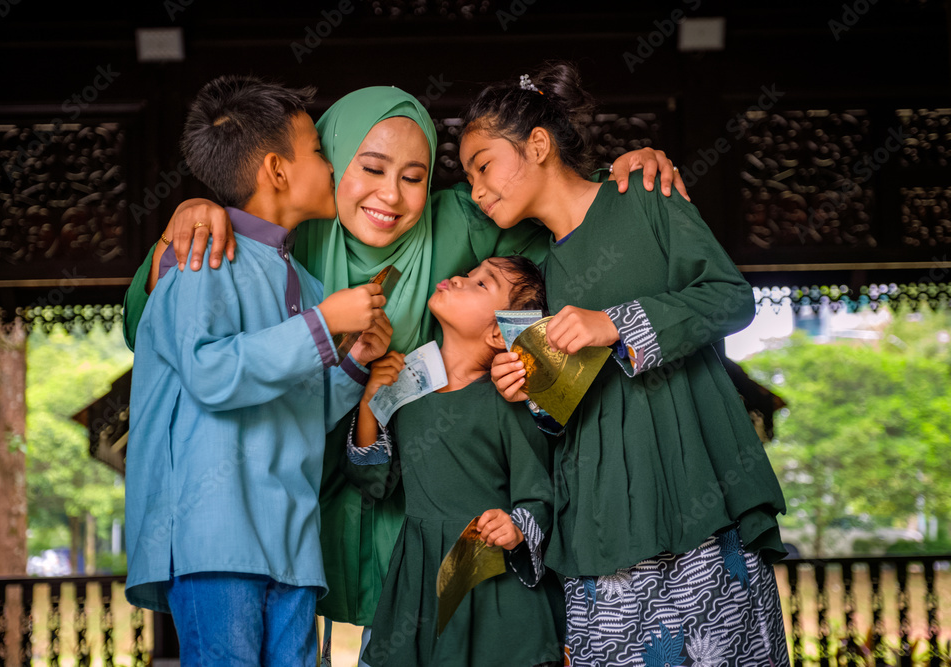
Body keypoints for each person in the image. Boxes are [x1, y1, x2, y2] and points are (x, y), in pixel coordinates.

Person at [121, 84, 686, 662]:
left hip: (411, 514)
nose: (390, 194)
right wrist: (190, 218)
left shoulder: (455, 226)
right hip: (287, 504)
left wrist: (615, 181)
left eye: (414, 177)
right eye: (366, 167)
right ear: (325, 162)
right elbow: (160, 333)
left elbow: (545, 216)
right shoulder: (270, 243)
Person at [466, 63, 791, 666]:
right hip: (595, 524)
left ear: (538, 144)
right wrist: (529, 390)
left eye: (483, 165)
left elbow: (729, 297)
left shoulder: (642, 195)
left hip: (694, 499)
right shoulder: (533, 266)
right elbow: (566, 401)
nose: (477, 190)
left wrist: (615, 320)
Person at [124, 76, 391, 666]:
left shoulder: (307, 281)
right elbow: (210, 374)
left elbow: (297, 406)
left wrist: (353, 362)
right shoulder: (200, 252)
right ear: (277, 169)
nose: (330, 167)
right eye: (319, 153)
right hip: (215, 536)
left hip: (290, 542)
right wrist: (323, 325)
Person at [349, 256, 564, 667]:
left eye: (483, 284)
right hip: (417, 582)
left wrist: (516, 526)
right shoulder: (405, 387)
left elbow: (539, 494)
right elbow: (375, 484)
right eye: (470, 273)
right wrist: (367, 404)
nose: (460, 279)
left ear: (500, 335)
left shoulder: (510, 401)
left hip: (493, 590)